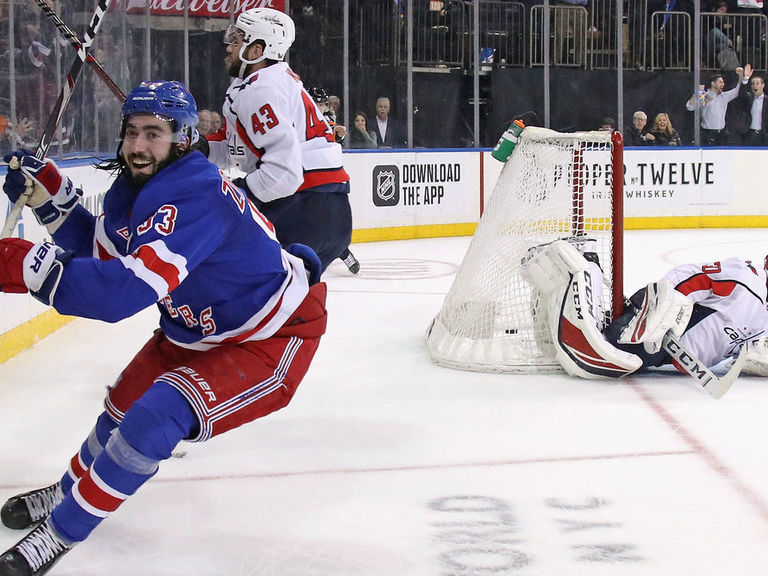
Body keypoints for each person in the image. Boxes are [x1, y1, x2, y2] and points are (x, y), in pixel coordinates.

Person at [0, 80, 327, 576]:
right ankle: (69, 487)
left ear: (184, 137)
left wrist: (23, 268)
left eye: (154, 133)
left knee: (155, 416)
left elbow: (122, 292)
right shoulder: (134, 191)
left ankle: (62, 530)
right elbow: (101, 248)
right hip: (194, 327)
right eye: (132, 132)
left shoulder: (197, 194)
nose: (137, 146)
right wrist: (51, 196)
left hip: (269, 336)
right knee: (120, 409)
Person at [206, 8, 353, 275]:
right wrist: (199, 148)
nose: (228, 47)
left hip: (304, 208)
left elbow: (284, 174)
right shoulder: (265, 82)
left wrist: (234, 193)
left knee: (230, 281)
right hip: (328, 209)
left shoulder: (261, 90)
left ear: (256, 50)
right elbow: (236, 152)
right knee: (288, 309)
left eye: (237, 40)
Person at [520, 238, 768, 380]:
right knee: (608, 356)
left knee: (619, 355)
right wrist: (666, 307)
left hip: (668, 355)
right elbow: (692, 275)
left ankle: (569, 293)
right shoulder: (748, 278)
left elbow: (746, 353)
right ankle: (582, 268)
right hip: (655, 324)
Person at [307, 86, 360, 275]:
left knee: (333, 219)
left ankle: (343, 252)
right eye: (317, 103)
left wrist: (338, 135)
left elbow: (333, 143)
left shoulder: (327, 119)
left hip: (330, 176)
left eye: (322, 104)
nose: (320, 107)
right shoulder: (298, 118)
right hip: (309, 179)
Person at [685, 67, 747, 145]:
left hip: (722, 134)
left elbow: (737, 90)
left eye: (723, 82)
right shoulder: (706, 96)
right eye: (720, 82)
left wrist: (741, 76)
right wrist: (695, 94)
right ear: (713, 83)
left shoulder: (724, 96)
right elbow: (690, 107)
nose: (723, 84)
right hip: (709, 134)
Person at [736, 64, 768, 146]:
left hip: (764, 135)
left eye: (757, 83)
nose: (755, 85)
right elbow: (742, 94)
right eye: (753, 84)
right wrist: (745, 78)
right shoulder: (748, 98)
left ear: (763, 85)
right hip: (749, 134)